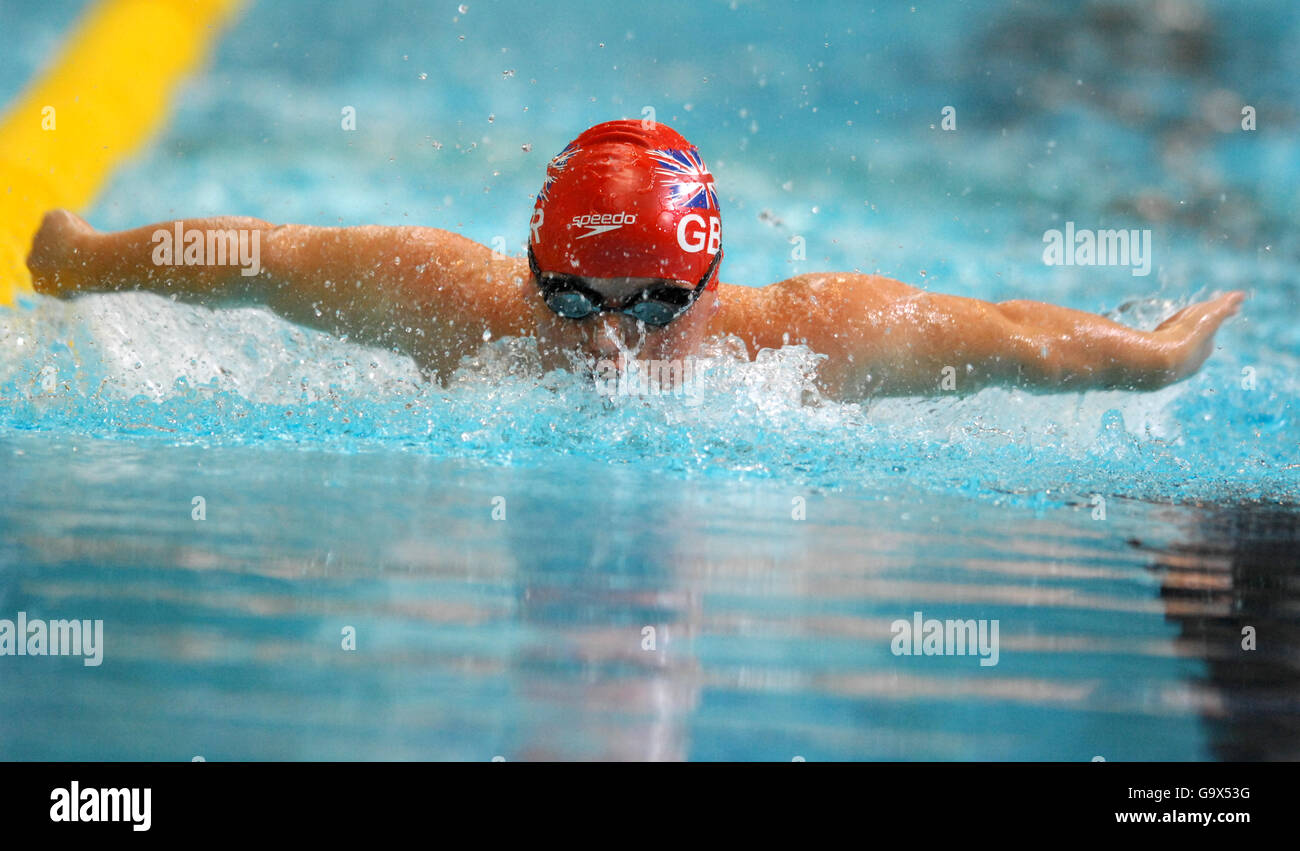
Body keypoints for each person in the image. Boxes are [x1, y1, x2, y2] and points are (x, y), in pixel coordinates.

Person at [25, 120, 1244, 399]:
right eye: (574, 300)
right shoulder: (452, 299)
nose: (611, 343)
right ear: (528, 272)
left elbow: (1014, 337)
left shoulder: (806, 338)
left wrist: (1149, 356)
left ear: (711, 284)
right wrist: (78, 260)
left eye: (656, 308)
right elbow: (252, 256)